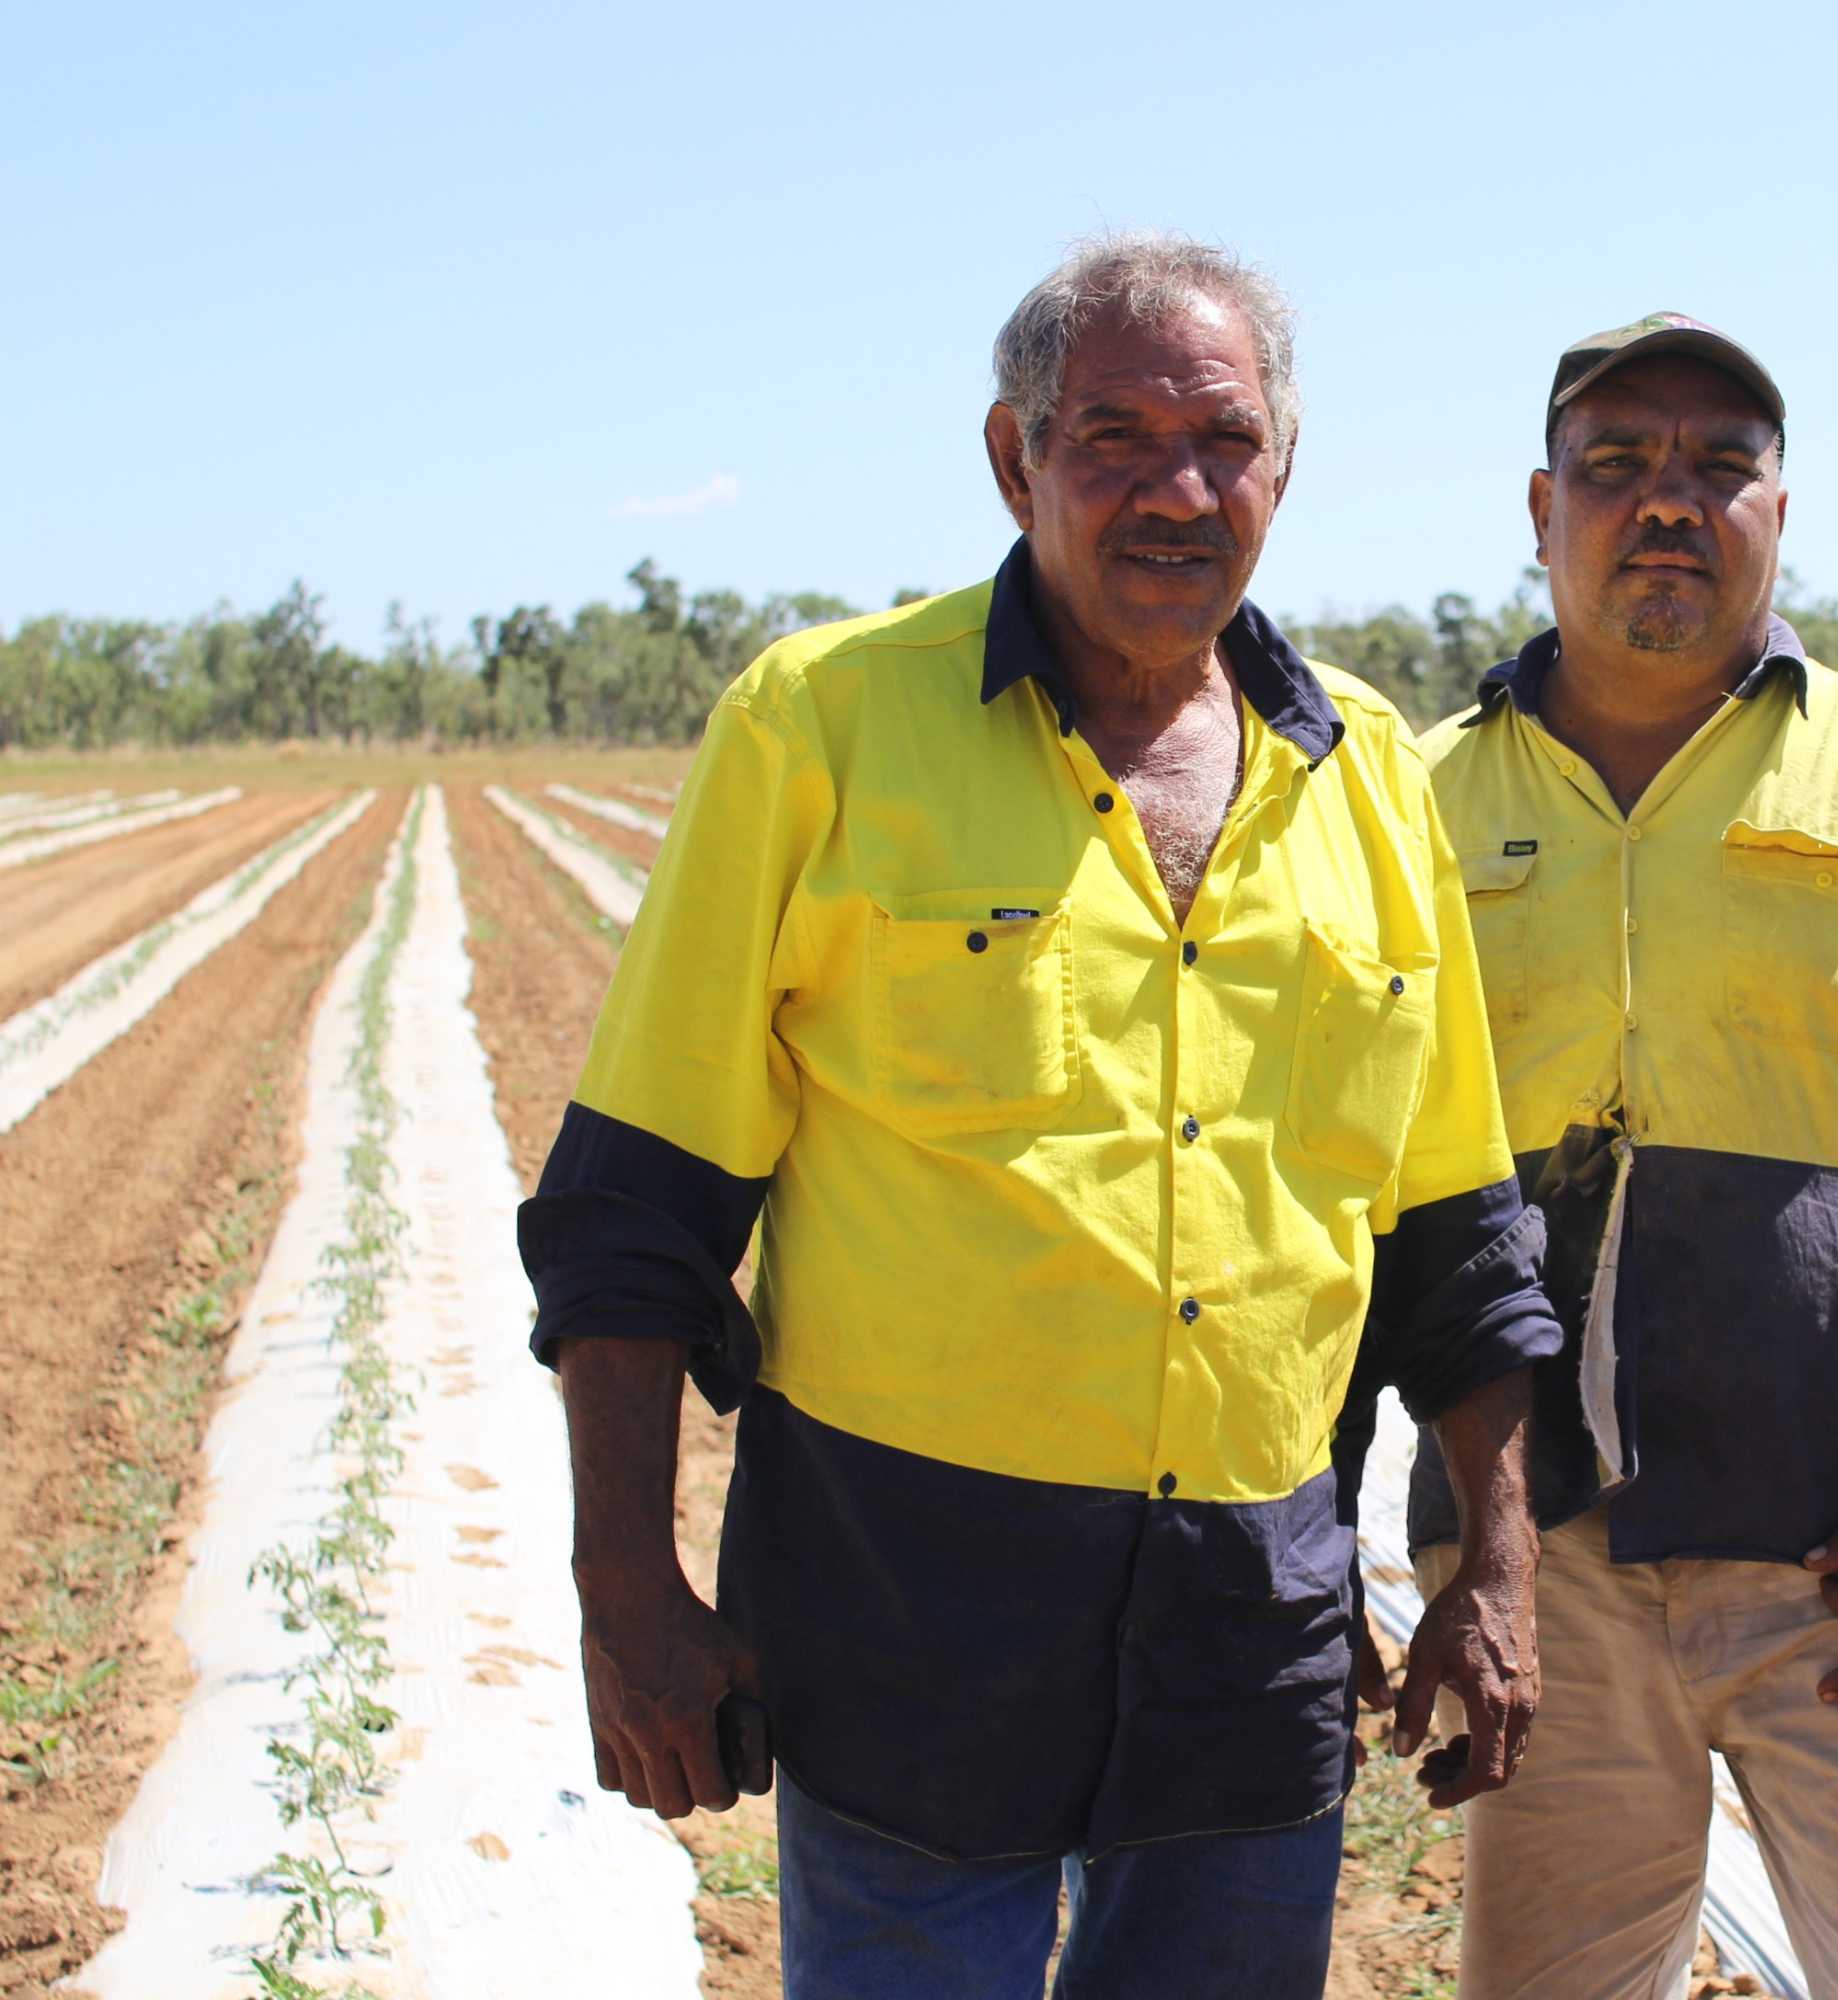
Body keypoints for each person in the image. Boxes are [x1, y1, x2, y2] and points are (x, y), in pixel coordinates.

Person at [517, 233, 1561, 2000]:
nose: (1177, 486)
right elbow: (637, 1206)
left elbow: (1458, 1230)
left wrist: (1500, 1565)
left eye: (1223, 439)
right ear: (1015, 460)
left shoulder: (1370, 772)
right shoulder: (826, 725)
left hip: (1250, 1630)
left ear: (1284, 469)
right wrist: (625, 1583)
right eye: (1114, 436)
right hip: (908, 1610)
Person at [1358, 313, 1838, 1997]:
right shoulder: (1413, 801)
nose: (1668, 505)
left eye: (1721, 468)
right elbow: (1342, 1196)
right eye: (1618, 467)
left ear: (1781, 511)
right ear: (1539, 505)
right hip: (1539, 1566)